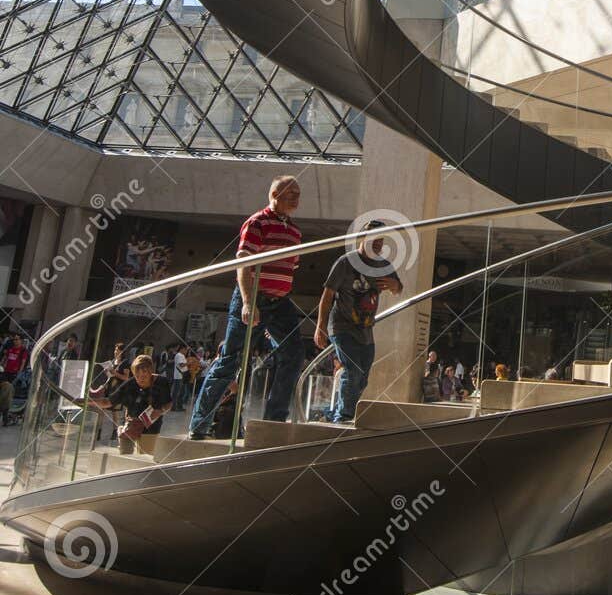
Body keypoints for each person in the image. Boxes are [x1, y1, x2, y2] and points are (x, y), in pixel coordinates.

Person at [188, 176, 304, 440]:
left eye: (299, 194)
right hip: (254, 297)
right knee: (231, 359)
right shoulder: (257, 223)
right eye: (291, 194)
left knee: (294, 354)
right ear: (274, 194)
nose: (297, 199)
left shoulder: (295, 231)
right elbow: (244, 265)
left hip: (280, 302)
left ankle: (274, 419)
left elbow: (289, 269)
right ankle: (199, 424)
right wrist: (249, 302)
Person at [313, 221, 402, 425]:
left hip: (366, 329)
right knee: (352, 371)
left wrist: (394, 285)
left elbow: (399, 289)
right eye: (374, 239)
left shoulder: (383, 265)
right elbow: (327, 296)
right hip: (342, 326)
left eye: (381, 240)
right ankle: (343, 417)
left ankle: (336, 411)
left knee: (362, 378)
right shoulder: (346, 263)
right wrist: (320, 326)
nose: (378, 243)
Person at [107, 354, 173, 456]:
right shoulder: (130, 383)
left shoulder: (161, 383)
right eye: (137, 375)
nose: (140, 378)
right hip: (130, 426)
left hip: (150, 428)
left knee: (145, 457)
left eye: (144, 375)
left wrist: (160, 411)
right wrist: (89, 401)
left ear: (151, 372)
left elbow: (169, 403)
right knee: (125, 455)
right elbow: (108, 401)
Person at [0, 332, 28, 423]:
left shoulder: (23, 351)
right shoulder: (10, 350)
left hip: (15, 374)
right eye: (14, 339)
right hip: (6, 373)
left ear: (21, 341)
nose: (15, 341)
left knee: (9, 392)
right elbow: (5, 359)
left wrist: (19, 373)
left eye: (17, 339)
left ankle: (6, 413)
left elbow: (23, 363)